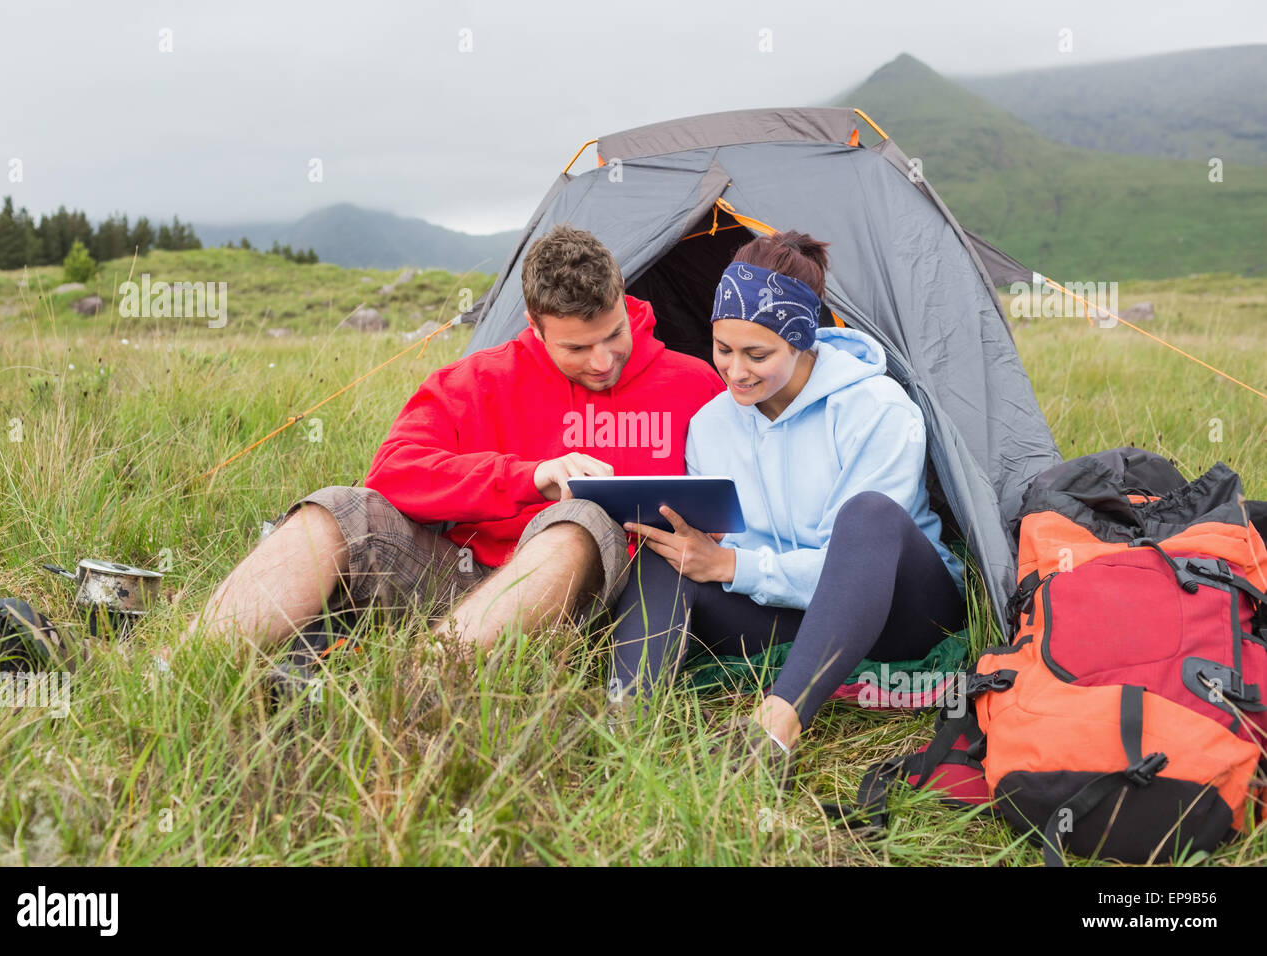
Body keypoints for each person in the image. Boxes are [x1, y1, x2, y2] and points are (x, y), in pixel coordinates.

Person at [176, 224, 724, 675]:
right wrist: (526, 476)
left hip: (589, 603)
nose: (603, 361)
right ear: (534, 325)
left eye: (613, 336)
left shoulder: (694, 384)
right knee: (336, 509)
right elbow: (392, 473)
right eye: (577, 348)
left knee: (576, 519)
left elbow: (738, 499)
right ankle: (181, 667)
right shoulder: (478, 380)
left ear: (624, 302)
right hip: (455, 574)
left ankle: (417, 686)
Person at [610, 230, 967, 788]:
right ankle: (625, 720)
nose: (735, 372)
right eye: (723, 349)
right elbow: (725, 545)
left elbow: (851, 564)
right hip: (783, 609)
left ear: (802, 341)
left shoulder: (877, 410)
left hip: (898, 611)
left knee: (868, 513)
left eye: (758, 354)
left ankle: (776, 727)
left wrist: (734, 567)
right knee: (666, 551)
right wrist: (711, 554)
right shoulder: (711, 424)